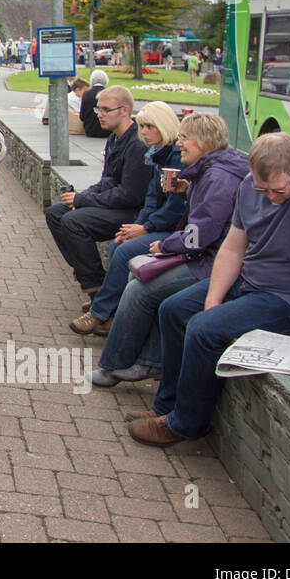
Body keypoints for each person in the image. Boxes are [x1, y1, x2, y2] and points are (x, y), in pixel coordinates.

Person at [128, 133, 290, 446]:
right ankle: (165, 407)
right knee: (173, 310)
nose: (271, 197)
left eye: (279, 190)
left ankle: (185, 425)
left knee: (203, 330)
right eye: (264, 190)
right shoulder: (250, 185)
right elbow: (234, 247)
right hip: (253, 281)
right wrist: (213, 300)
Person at [91, 112, 249, 385]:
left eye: (185, 138)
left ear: (205, 141)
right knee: (143, 278)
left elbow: (201, 234)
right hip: (207, 254)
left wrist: (164, 245)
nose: (179, 144)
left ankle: (115, 365)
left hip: (215, 262)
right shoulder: (212, 170)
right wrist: (187, 188)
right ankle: (147, 360)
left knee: (141, 288)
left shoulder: (218, 178)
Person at [70, 101, 185, 337]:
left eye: (149, 127)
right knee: (119, 243)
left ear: (163, 126)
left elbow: (175, 208)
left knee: (123, 250)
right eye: (142, 126)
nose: (143, 132)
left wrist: (145, 228)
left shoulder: (174, 158)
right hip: (157, 223)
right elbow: (151, 198)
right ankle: (113, 309)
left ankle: (100, 313)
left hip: (177, 231)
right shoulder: (158, 154)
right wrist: (139, 226)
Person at [44, 85, 149, 305]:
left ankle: (97, 289)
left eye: (105, 110)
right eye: (97, 109)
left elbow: (130, 195)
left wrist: (82, 200)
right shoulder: (114, 139)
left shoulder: (137, 144)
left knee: (73, 221)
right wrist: (81, 196)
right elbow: (107, 181)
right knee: (55, 213)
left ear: (124, 110)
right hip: (116, 205)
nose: (99, 114)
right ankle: (92, 280)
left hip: (134, 213)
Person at [78, 69, 110, 138]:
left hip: (90, 130)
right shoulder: (109, 93)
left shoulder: (86, 94)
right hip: (107, 131)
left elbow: (82, 116)